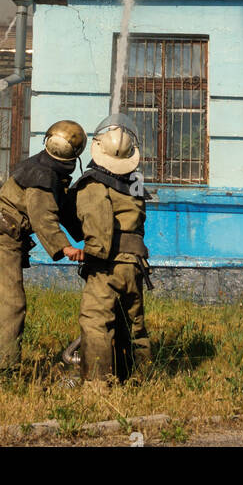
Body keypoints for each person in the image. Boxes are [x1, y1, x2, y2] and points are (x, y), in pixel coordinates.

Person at [0, 119, 86, 371]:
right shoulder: (44, 177)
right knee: (6, 305)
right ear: (76, 155)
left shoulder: (38, 165)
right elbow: (43, 216)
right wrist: (65, 247)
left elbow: (59, 206)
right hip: (2, 243)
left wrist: (83, 233)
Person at [70, 115, 152, 383]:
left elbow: (98, 226)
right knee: (134, 323)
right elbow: (139, 219)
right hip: (135, 263)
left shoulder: (93, 183)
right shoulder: (136, 183)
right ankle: (141, 378)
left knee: (96, 321)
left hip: (108, 263)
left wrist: (93, 258)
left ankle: (98, 384)